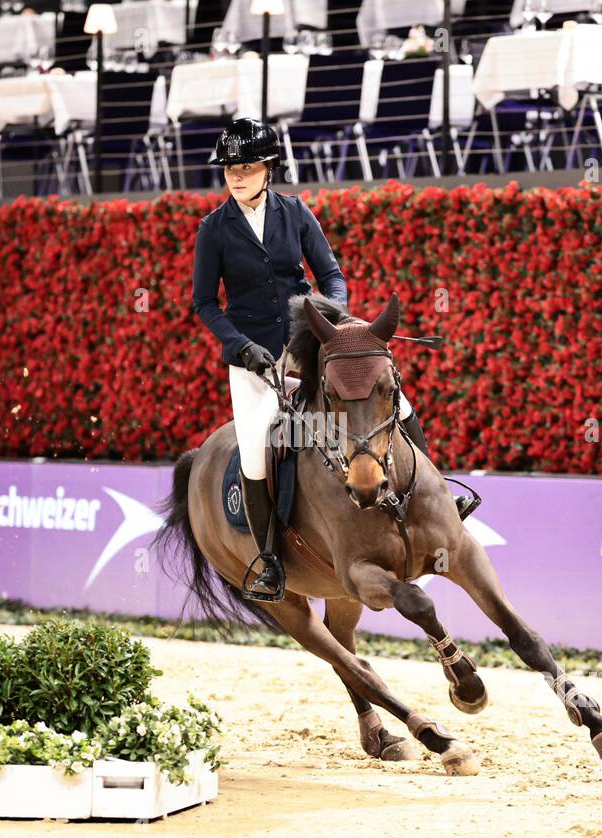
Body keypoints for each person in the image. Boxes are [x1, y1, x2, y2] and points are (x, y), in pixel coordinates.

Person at [190, 118, 477, 601]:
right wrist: (240, 344)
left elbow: (331, 274)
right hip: (253, 361)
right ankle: (268, 561)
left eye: (246, 167)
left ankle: (438, 502)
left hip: (310, 347)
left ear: (268, 168)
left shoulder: (297, 212)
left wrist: (334, 318)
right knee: (259, 451)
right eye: (229, 169)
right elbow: (204, 303)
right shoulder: (213, 230)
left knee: (399, 408)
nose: (236, 176)